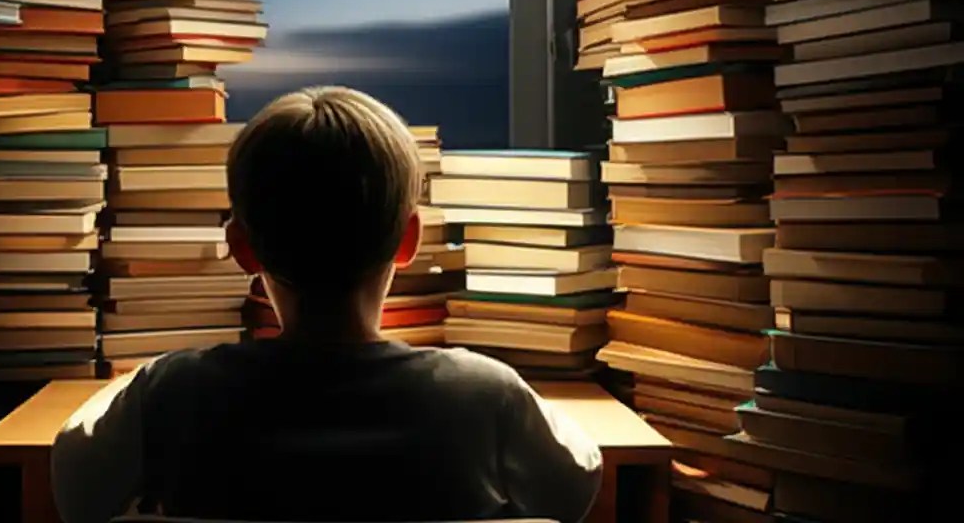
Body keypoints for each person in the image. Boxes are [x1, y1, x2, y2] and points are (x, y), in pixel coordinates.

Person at [51, 86, 603, 523]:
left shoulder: (171, 392)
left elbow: (78, 491)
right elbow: (575, 485)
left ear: (242, 248)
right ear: (408, 240)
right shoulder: (486, 397)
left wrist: (138, 379)